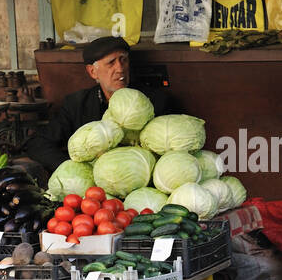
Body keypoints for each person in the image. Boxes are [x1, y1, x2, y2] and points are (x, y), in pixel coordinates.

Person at [19, 36, 169, 179]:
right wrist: (74, 169)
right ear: (92, 72)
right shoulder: (77, 104)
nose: (120, 68)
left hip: (138, 179)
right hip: (93, 191)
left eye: (123, 60)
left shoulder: (152, 101)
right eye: (111, 63)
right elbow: (38, 143)